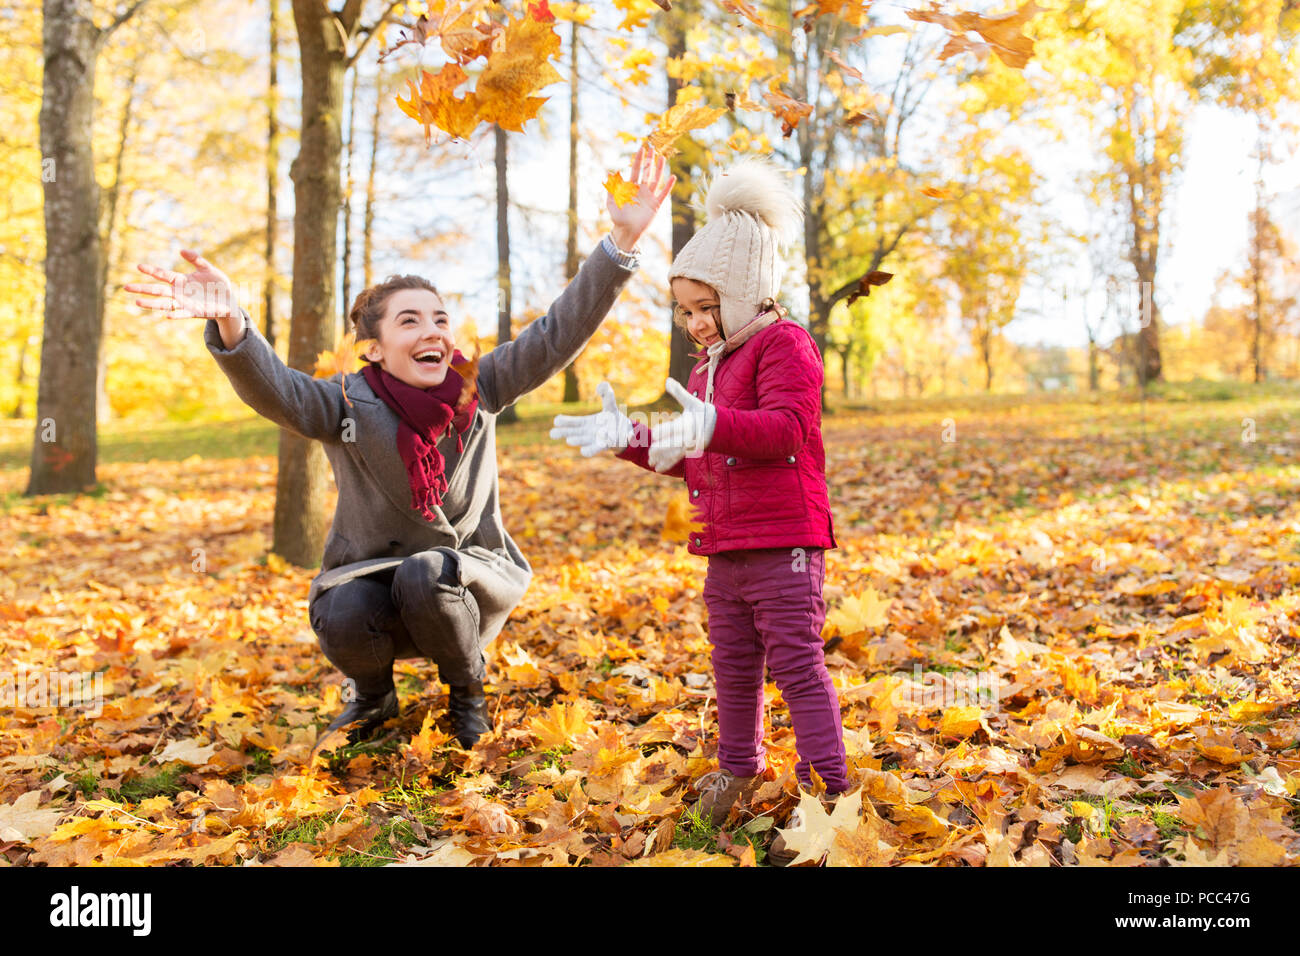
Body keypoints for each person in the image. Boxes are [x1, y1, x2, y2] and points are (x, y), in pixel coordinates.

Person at [126, 145, 674, 748]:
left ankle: (467, 688)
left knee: (424, 570)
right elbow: (277, 391)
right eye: (409, 321)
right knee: (341, 610)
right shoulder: (343, 402)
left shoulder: (478, 386)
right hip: (369, 585)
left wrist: (619, 244)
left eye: (439, 319)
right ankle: (373, 695)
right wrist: (233, 320)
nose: (432, 330)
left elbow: (556, 333)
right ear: (374, 348)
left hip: (459, 579)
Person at [550, 158, 847, 864]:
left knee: (797, 664)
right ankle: (739, 768)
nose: (694, 323)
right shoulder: (704, 370)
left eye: (705, 307)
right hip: (724, 546)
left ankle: (828, 794)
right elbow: (696, 450)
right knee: (733, 663)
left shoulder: (784, 344)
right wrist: (631, 439)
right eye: (684, 310)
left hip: (784, 542)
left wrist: (712, 424)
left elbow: (785, 430)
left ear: (744, 293)